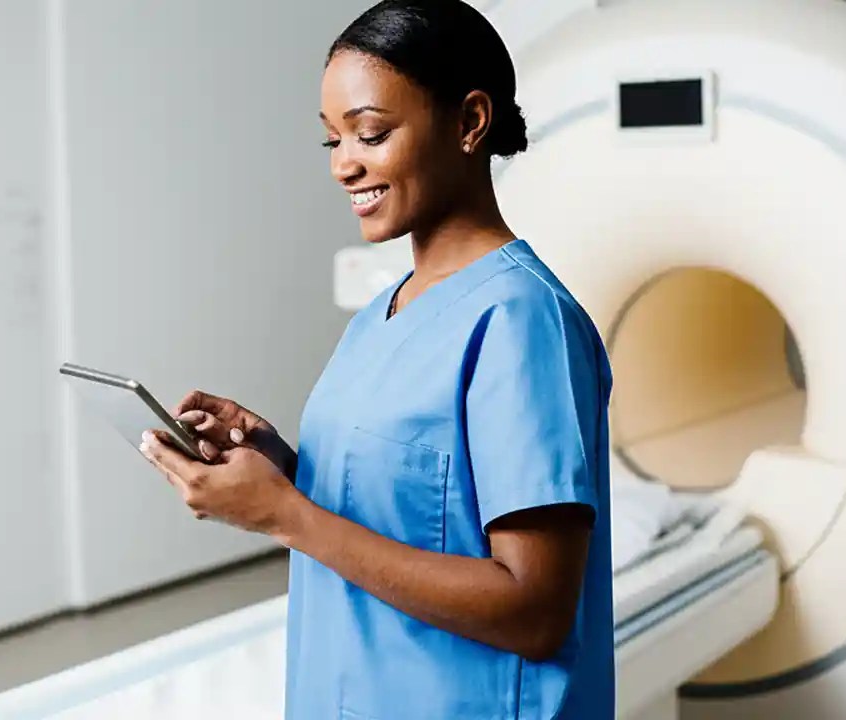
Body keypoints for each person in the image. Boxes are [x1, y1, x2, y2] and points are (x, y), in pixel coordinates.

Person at [138, 1, 614, 717]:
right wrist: (282, 470)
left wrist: (284, 517)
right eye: (331, 142)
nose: (344, 165)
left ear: (469, 122)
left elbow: (535, 612)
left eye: (370, 133)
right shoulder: (382, 312)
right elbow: (409, 509)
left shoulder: (520, 322)